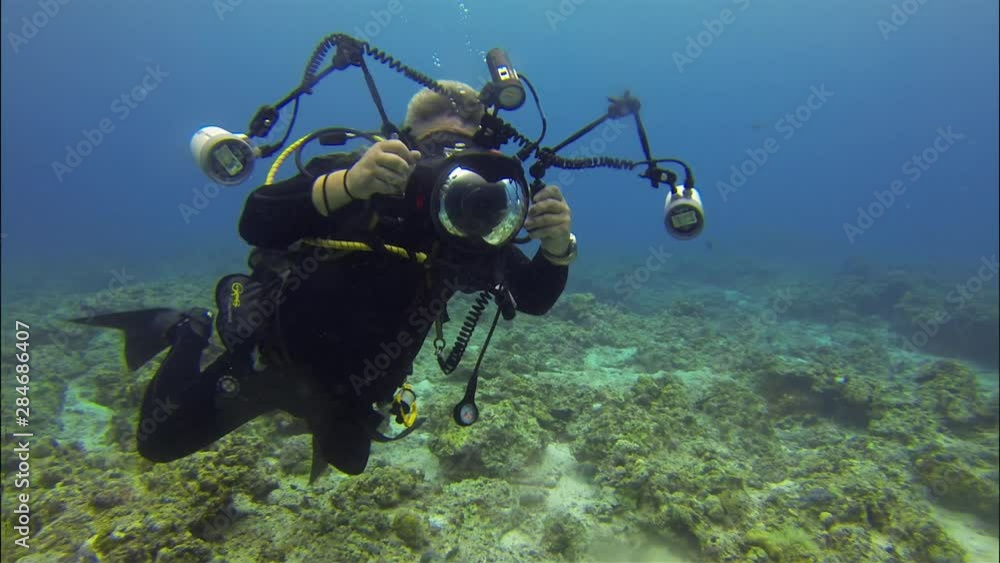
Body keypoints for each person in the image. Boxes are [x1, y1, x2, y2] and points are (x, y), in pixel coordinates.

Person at [78, 81, 577, 478]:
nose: (446, 163)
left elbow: (531, 297)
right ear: (406, 141)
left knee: (350, 463)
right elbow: (258, 221)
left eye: (460, 151)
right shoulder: (358, 177)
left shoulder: (468, 229)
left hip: (354, 390)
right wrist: (348, 185)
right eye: (436, 145)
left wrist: (557, 250)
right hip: (271, 358)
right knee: (159, 442)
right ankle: (187, 327)